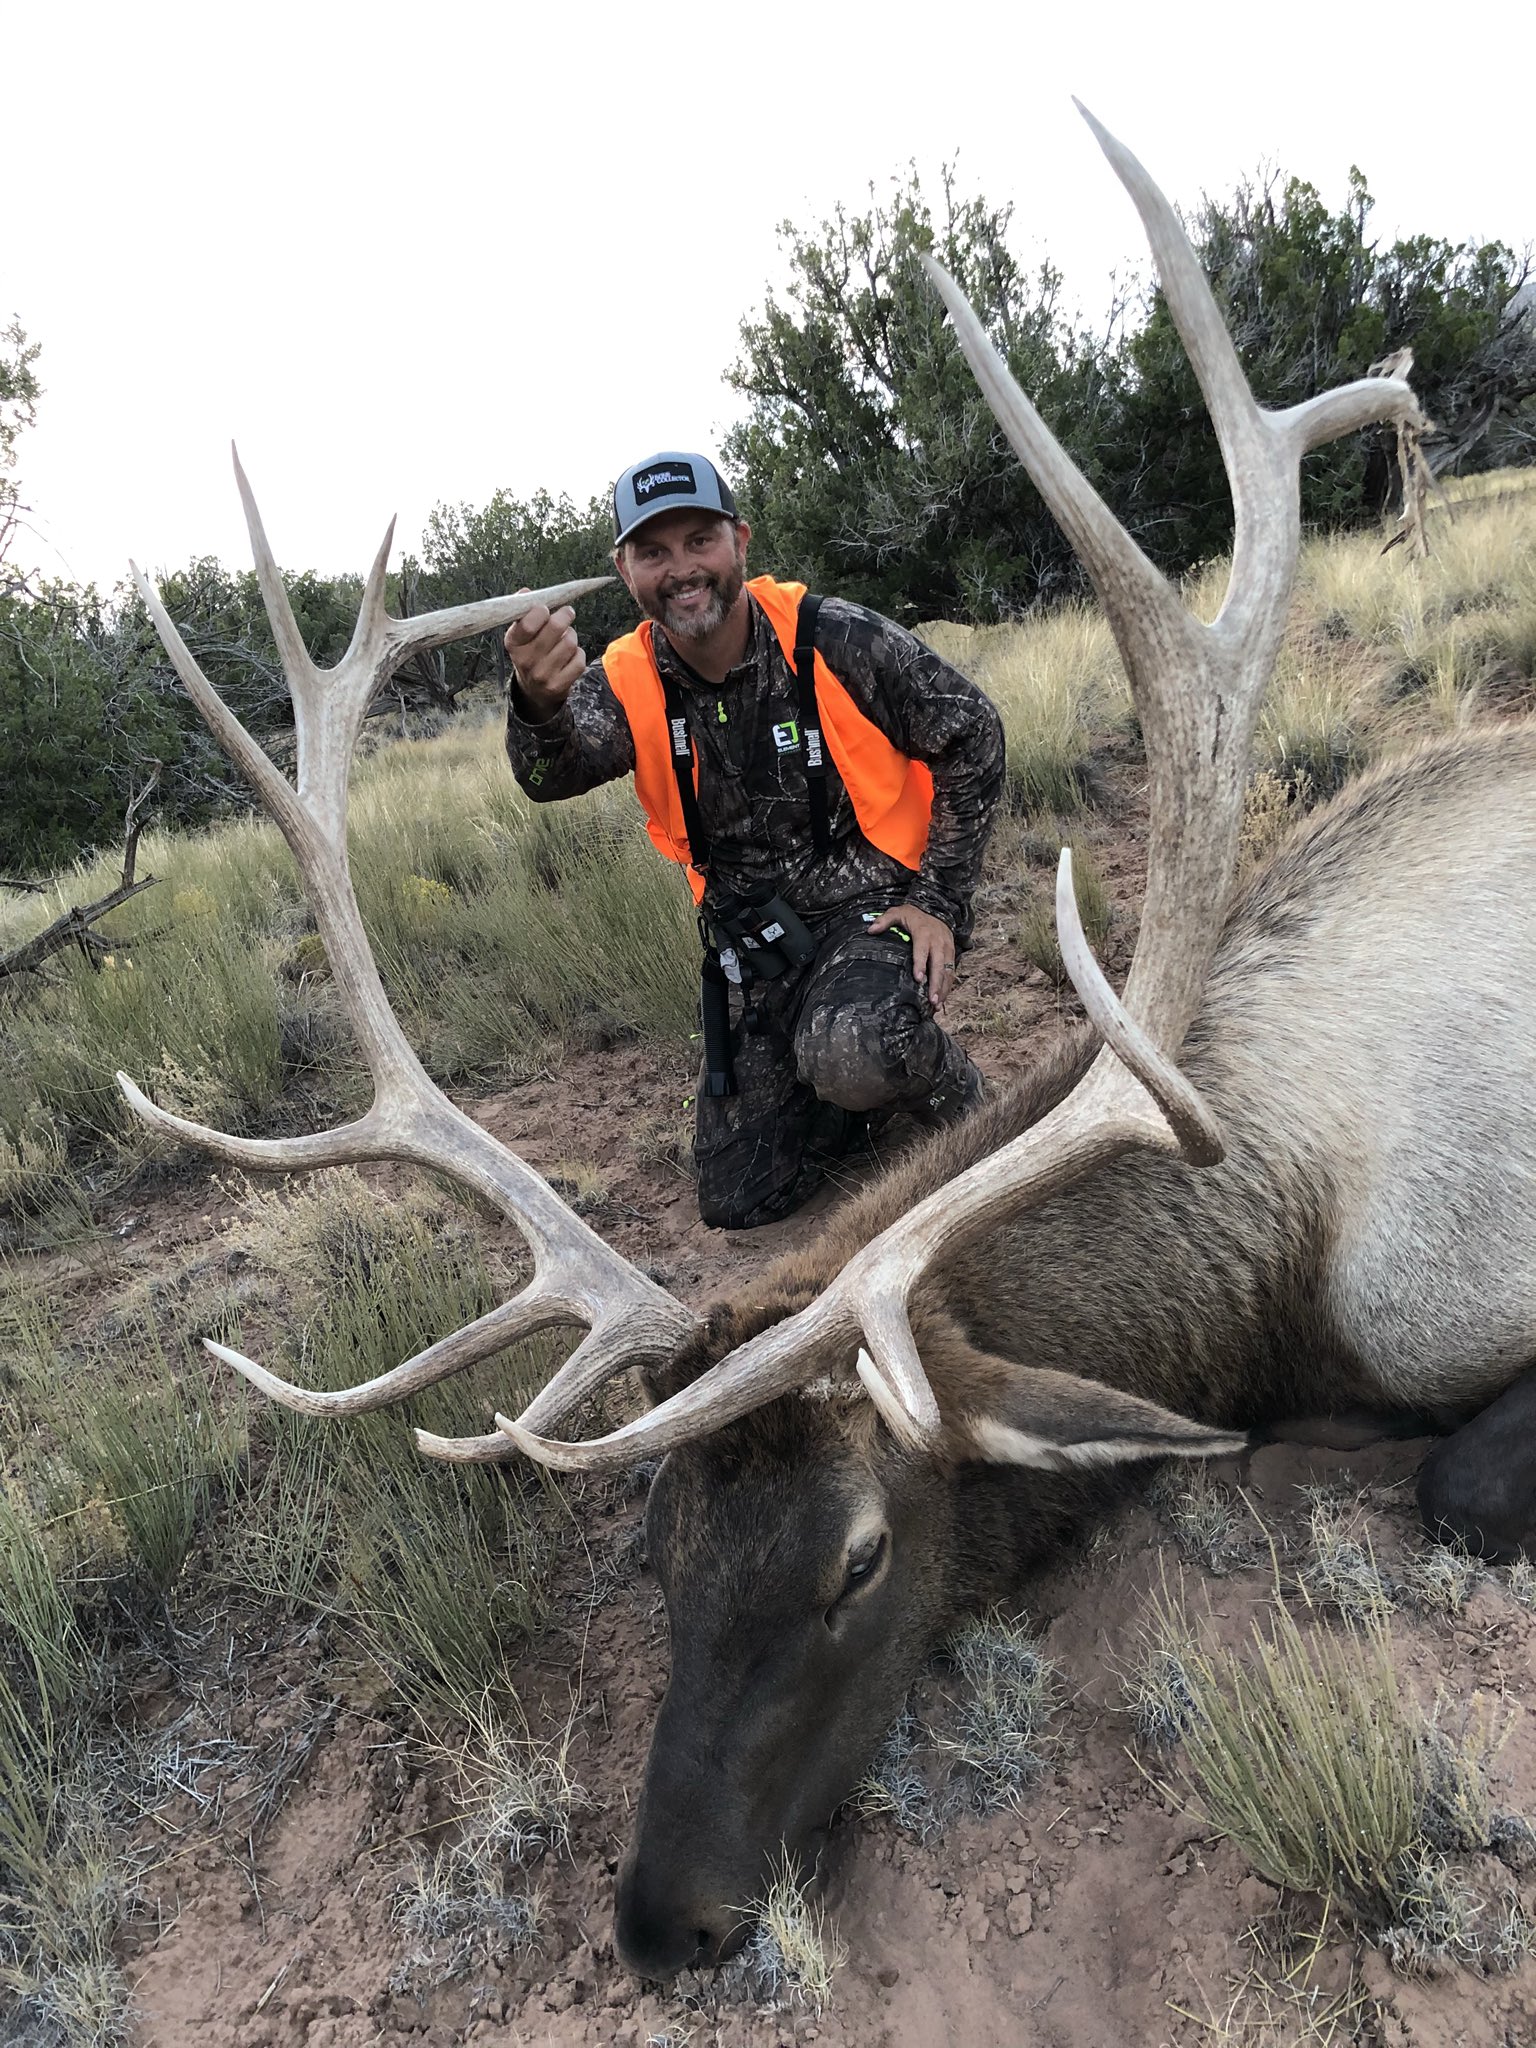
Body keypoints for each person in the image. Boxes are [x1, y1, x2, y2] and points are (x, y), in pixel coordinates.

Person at [503, 450, 1004, 1230]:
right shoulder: (630, 680)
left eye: (700, 540)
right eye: (653, 552)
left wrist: (938, 899)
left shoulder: (832, 639)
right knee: (739, 1199)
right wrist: (536, 701)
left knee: (855, 1048)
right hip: (757, 950)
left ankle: (975, 1113)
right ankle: (858, 1101)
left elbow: (972, 731)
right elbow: (549, 773)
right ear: (624, 569)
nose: (681, 570)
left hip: (874, 914)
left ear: (740, 540)